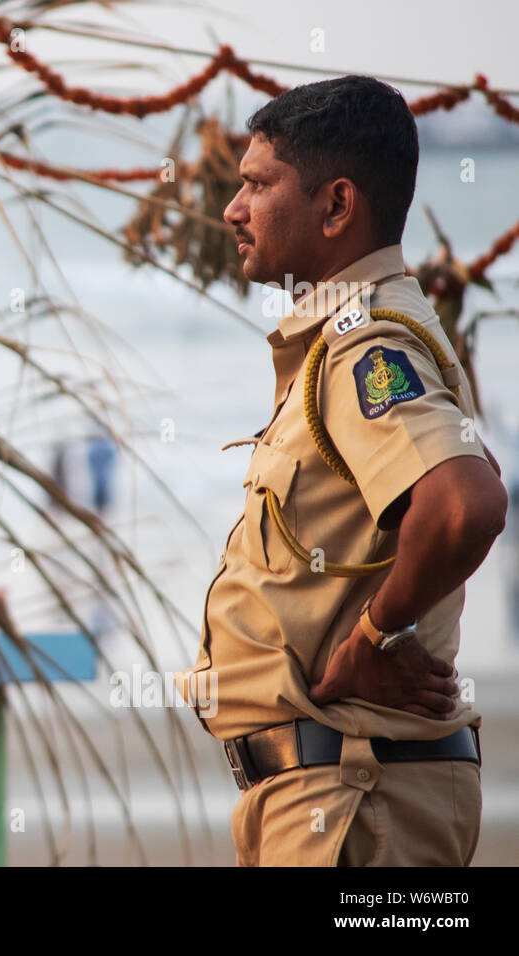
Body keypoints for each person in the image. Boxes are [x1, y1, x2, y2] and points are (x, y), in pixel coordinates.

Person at [176, 76, 508, 866]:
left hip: (355, 798)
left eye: (257, 185)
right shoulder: (357, 335)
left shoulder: (366, 347)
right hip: (337, 793)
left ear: (335, 207)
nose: (233, 208)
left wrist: (373, 634)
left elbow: (465, 502)